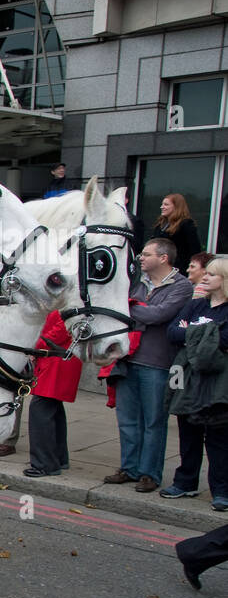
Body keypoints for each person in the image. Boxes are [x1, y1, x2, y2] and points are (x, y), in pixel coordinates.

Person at [104, 238, 193, 492]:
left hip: (158, 362)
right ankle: (129, 468)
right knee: (127, 419)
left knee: (154, 421)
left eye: (146, 254)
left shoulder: (182, 286)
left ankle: (149, 473)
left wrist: (129, 309)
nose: (140, 258)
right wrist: (134, 310)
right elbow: (125, 312)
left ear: (163, 258)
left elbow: (159, 315)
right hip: (127, 359)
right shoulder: (135, 283)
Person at [161, 256, 228, 508]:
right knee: (188, 432)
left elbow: (224, 340)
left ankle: (221, 490)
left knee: (218, 438)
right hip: (189, 378)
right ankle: (185, 482)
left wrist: (192, 333)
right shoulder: (197, 305)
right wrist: (208, 333)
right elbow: (172, 333)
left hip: (217, 381)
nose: (205, 277)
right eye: (206, 273)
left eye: (212, 274)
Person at [22, 311, 80, 477]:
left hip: (55, 361)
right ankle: (59, 458)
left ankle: (45, 464)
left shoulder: (65, 305)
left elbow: (57, 333)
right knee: (53, 412)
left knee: (40, 411)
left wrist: (34, 345)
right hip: (57, 360)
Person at [150, 194, 201, 277]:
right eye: (162, 204)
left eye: (166, 204)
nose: (162, 207)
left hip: (178, 270)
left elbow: (194, 250)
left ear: (176, 207)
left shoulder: (186, 224)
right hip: (158, 269)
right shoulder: (160, 225)